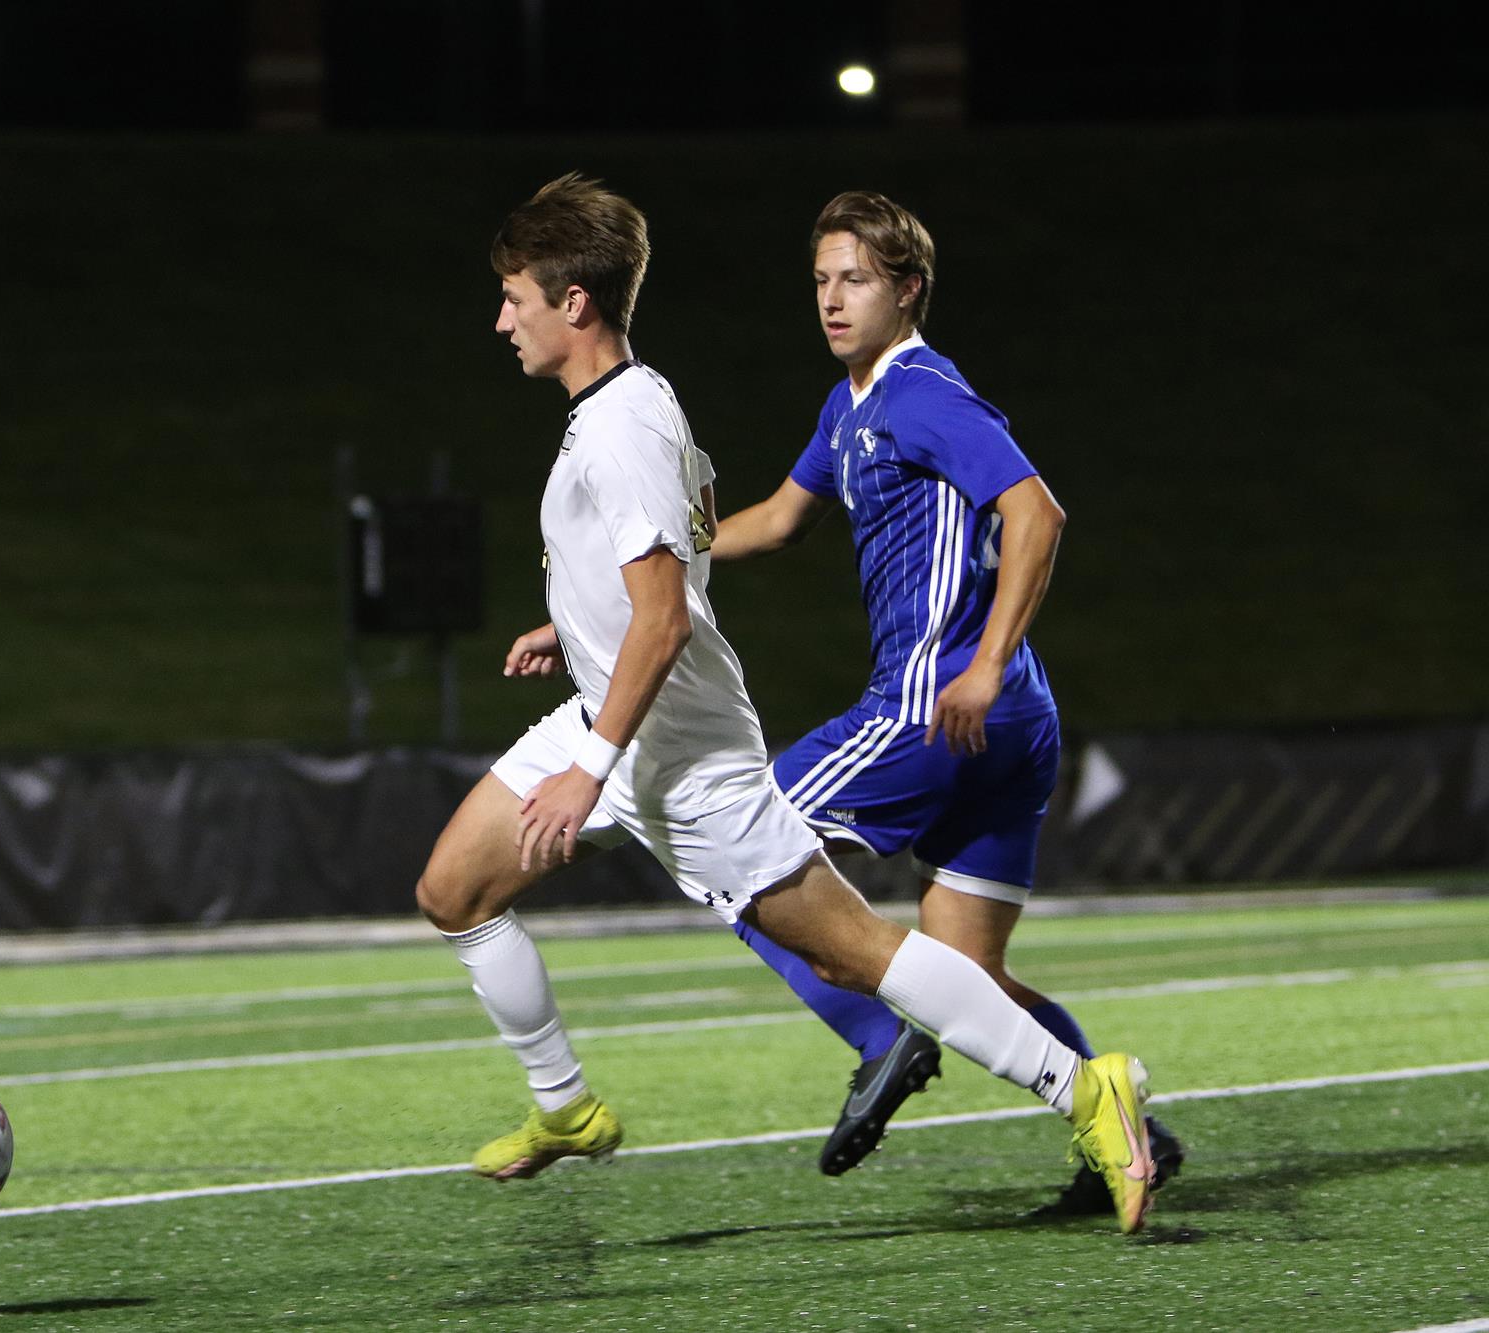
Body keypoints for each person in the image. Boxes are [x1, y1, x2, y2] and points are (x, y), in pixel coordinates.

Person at [415, 173, 1159, 1234]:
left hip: (675, 745)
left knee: (857, 953)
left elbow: (665, 618)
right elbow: (697, 547)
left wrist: (592, 767)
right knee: (453, 886)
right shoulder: (641, 407)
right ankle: (565, 1106)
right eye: (821, 278)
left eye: (512, 297)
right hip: (609, 710)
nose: (501, 319)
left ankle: (1084, 1086)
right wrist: (573, 620)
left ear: (571, 301)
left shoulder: (637, 422)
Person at [708, 190, 1181, 1211]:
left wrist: (979, 663)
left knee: (728, 847)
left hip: (939, 702)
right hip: (1010, 722)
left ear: (907, 289)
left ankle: (882, 1043)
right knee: (967, 978)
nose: (832, 301)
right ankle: (1119, 1135)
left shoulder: (920, 393)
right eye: (821, 280)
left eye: (856, 281)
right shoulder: (851, 404)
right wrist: (663, 552)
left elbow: (1035, 513)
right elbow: (781, 520)